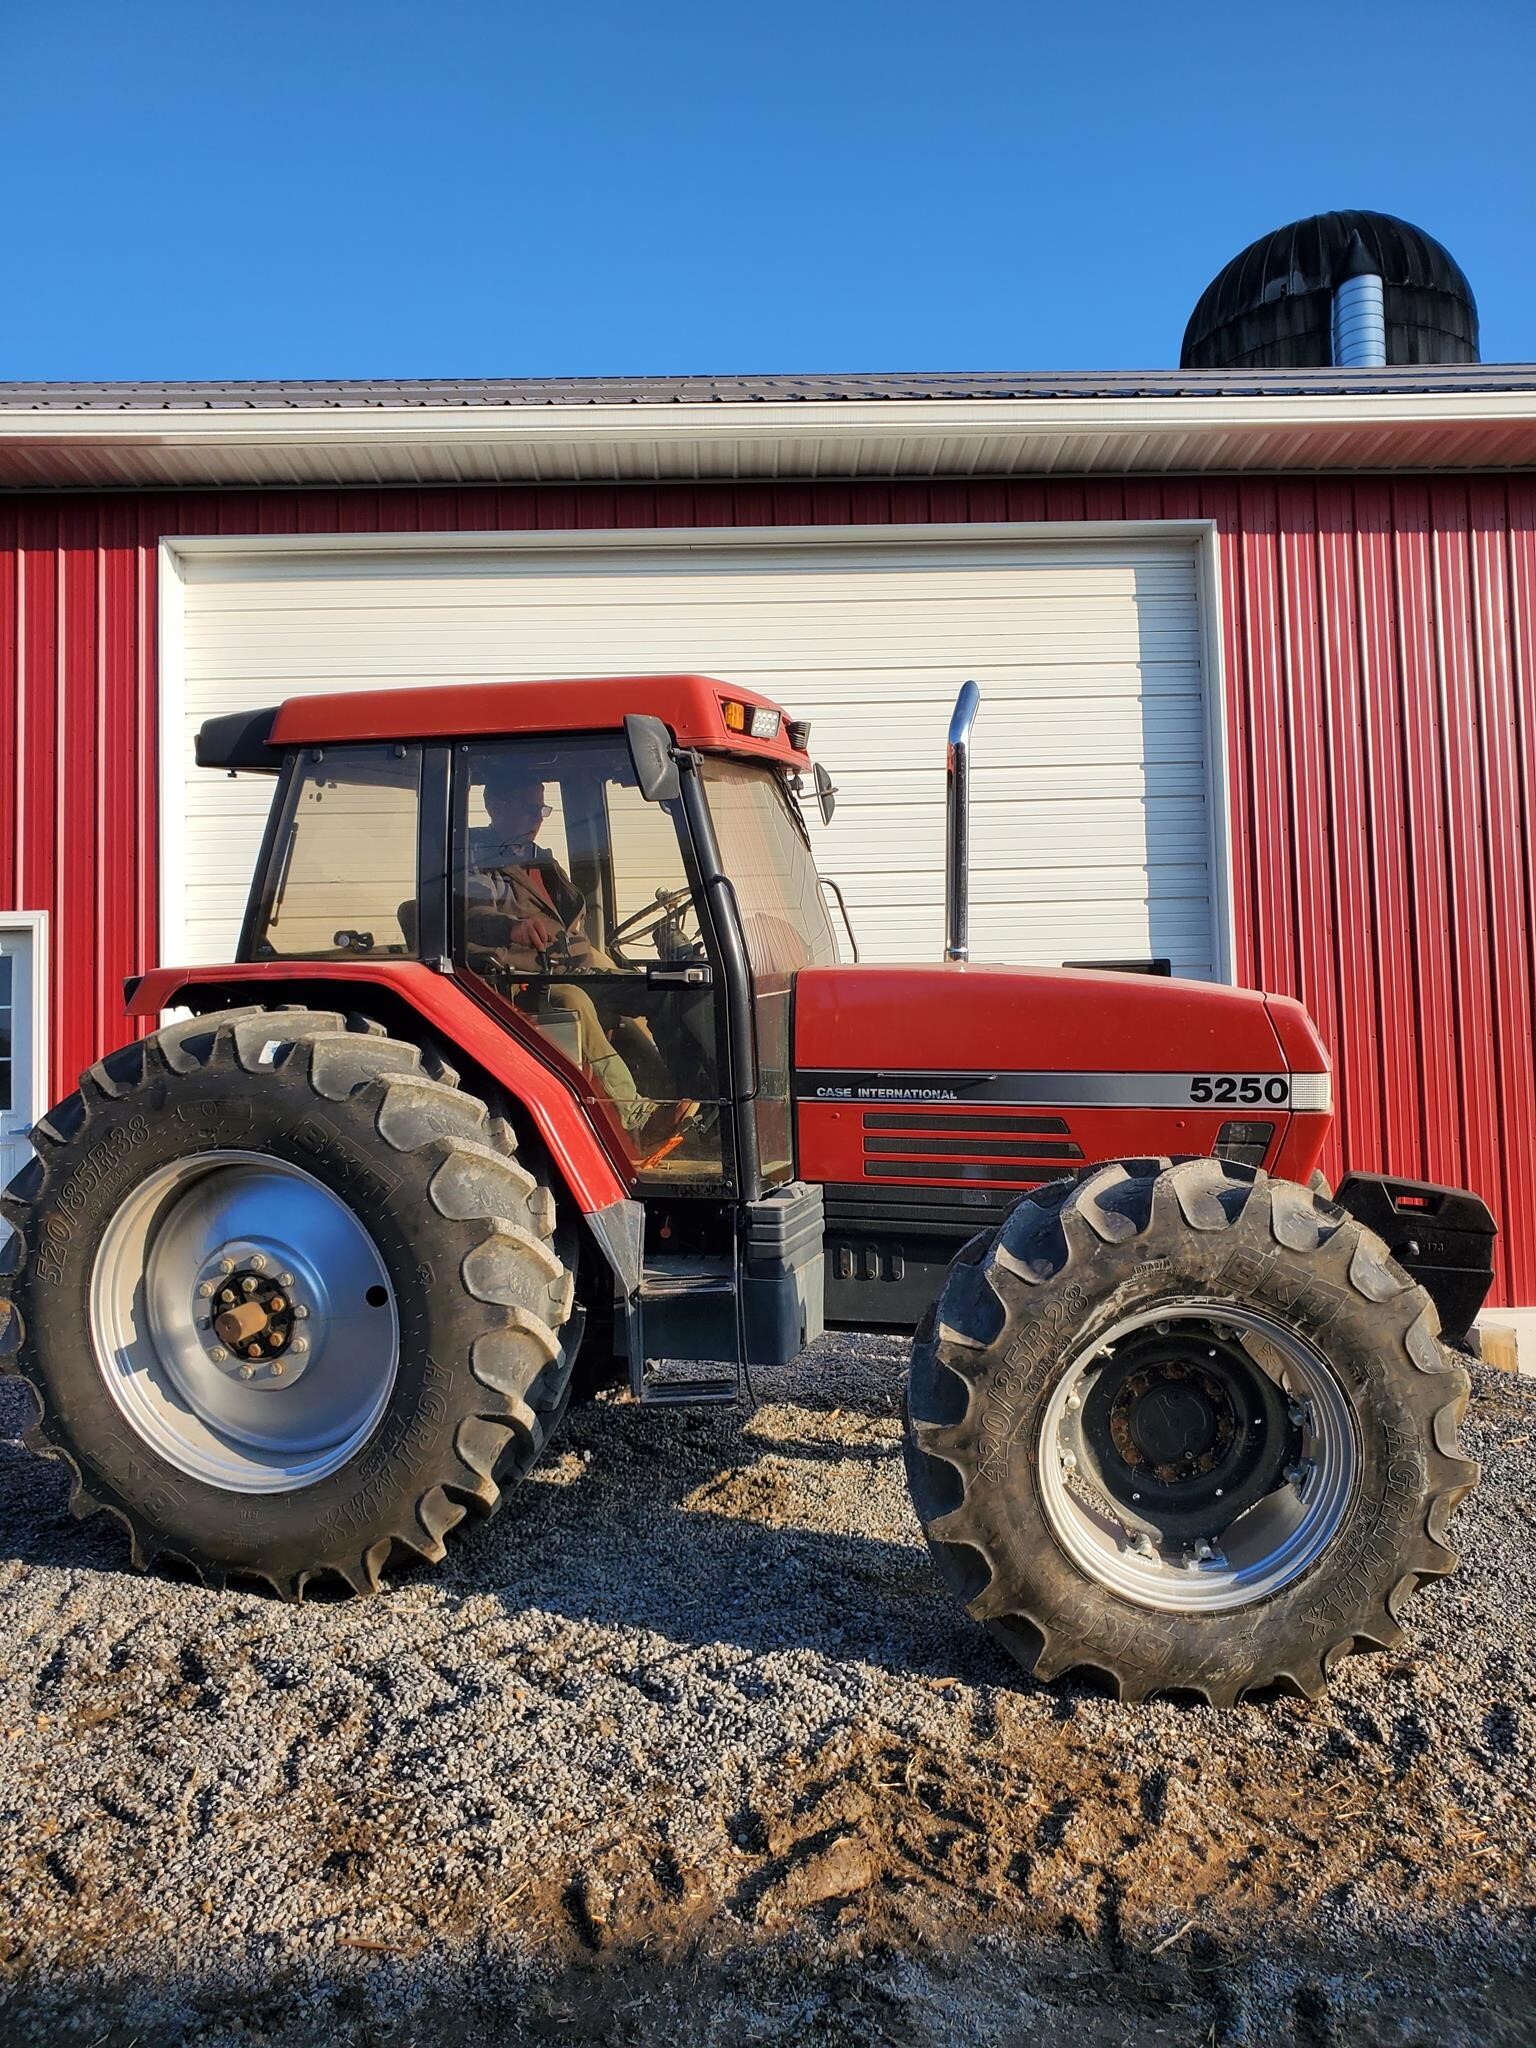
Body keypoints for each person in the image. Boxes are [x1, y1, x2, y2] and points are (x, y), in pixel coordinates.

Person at [461, 763, 687, 1148]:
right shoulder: (471, 857)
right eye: (529, 809)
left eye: (542, 810)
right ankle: (636, 1116)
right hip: (516, 975)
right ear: (495, 804)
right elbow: (470, 912)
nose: (537, 819)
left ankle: (683, 1095)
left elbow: (568, 910)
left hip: (566, 959)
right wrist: (511, 928)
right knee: (575, 1000)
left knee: (656, 989)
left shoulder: (538, 858)